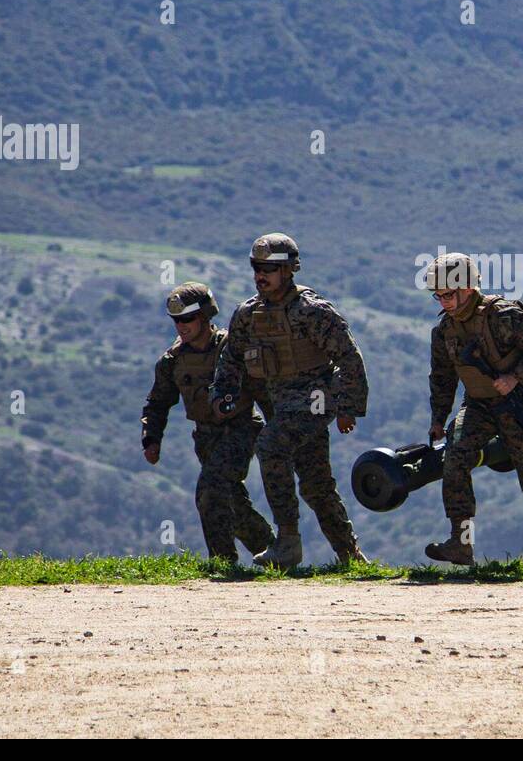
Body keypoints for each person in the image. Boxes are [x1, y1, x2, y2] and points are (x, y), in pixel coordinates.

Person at [211, 234, 368, 567]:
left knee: (270, 446)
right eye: (256, 267)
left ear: (290, 270)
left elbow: (349, 358)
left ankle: (288, 542)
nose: (260, 275)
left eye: (269, 268)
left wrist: (346, 407)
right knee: (315, 484)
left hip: (315, 402)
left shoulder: (312, 311)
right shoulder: (248, 314)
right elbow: (231, 358)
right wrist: (223, 393)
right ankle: (350, 554)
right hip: (282, 407)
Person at [424, 252, 523, 573]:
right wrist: (439, 419)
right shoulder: (444, 331)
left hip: (519, 404)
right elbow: (442, 378)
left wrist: (515, 377)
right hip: (479, 405)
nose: (443, 302)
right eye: (438, 296)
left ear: (467, 288)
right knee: (455, 457)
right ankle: (461, 542)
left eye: (448, 295)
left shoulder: (502, 315)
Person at [140, 282, 273, 563]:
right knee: (231, 501)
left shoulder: (233, 351)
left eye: (187, 319)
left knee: (210, 491)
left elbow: (263, 390)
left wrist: (279, 431)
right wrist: (151, 439)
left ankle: (223, 562)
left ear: (205, 316)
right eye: (177, 320)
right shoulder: (173, 361)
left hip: (241, 430)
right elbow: (158, 403)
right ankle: (271, 552)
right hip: (206, 438)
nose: (182, 326)